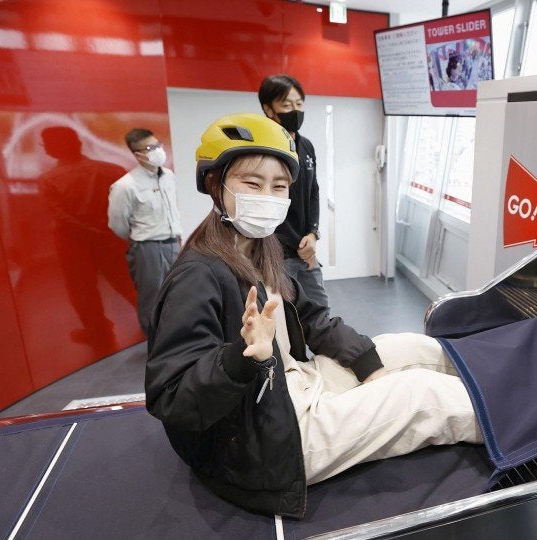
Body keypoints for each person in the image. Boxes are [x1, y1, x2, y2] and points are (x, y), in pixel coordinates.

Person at [145, 113, 480, 518]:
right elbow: (172, 396)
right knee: (419, 394)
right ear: (216, 185)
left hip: (292, 388)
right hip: (267, 439)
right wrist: (238, 359)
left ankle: (501, 369)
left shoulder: (262, 248)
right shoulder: (198, 275)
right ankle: (521, 413)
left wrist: (368, 365)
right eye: (252, 183)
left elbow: (316, 321)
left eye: (279, 186)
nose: (267, 196)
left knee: (409, 347)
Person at [39, 126, 135, 347]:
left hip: (73, 243)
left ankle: (97, 331)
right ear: (78, 143)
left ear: (51, 149)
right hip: (112, 238)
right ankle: (157, 322)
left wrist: (89, 231)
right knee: (127, 282)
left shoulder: (49, 179)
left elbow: (59, 214)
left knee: (82, 290)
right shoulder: (113, 170)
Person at [258, 74, 328, 308]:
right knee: (283, 319)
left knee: (319, 308)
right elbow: (266, 202)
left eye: (299, 104)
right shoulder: (262, 149)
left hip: (306, 249)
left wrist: (313, 234)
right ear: (269, 109)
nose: (295, 110)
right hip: (275, 253)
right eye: (286, 105)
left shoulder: (306, 146)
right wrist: (292, 243)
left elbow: (313, 193)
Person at [107, 128, 183, 335]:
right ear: (137, 154)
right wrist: (143, 241)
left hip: (174, 242)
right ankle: (156, 349)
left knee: (179, 294)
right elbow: (118, 225)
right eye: (149, 148)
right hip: (148, 247)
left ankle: (178, 340)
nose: (157, 151)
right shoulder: (125, 186)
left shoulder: (168, 175)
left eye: (157, 145)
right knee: (152, 300)